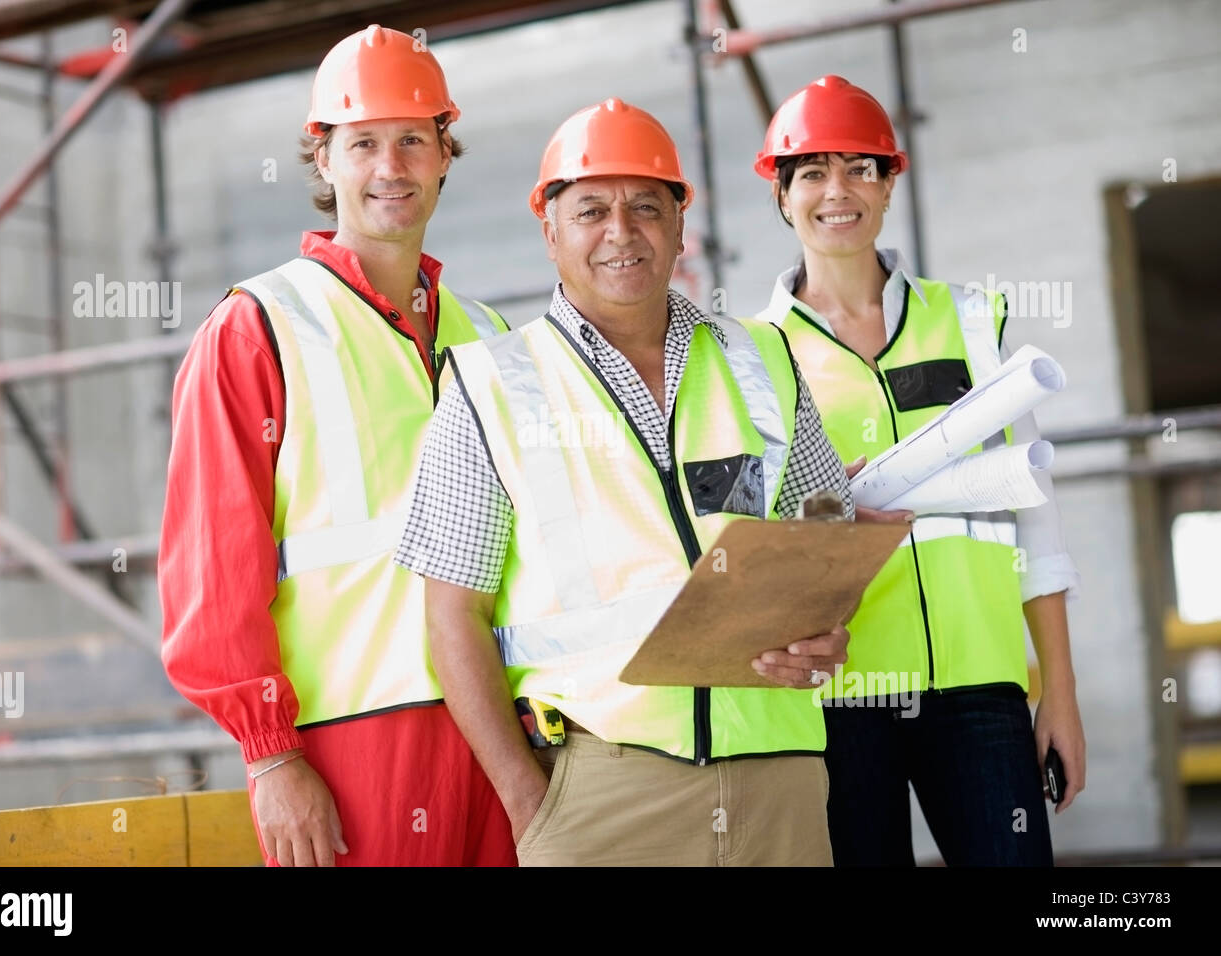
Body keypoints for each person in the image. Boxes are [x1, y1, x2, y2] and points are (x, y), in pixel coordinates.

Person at [395, 98, 856, 866]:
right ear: (550, 230)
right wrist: (528, 801)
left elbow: (827, 534)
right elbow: (452, 618)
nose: (621, 232)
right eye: (591, 211)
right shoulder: (490, 383)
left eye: (646, 206)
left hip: (781, 774)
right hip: (602, 791)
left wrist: (829, 624)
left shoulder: (766, 359)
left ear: (681, 224)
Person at [158, 25, 516, 867]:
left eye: (410, 142)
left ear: (443, 154)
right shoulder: (258, 329)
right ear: (323, 159)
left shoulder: (492, 337)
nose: (389, 168)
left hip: (503, 737)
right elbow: (212, 571)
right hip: (353, 744)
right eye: (362, 145)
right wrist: (270, 755)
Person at [751, 74, 1086, 866]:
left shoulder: (966, 318)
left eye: (862, 167)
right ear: (783, 194)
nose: (839, 191)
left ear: (891, 180)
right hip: (842, 694)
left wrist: (1059, 697)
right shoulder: (754, 353)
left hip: (979, 686)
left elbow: (1033, 512)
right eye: (813, 173)